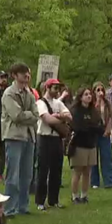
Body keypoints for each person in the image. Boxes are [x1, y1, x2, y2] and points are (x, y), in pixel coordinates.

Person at [1, 63, 38, 217]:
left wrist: (27, 115)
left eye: (27, 73)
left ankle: (23, 206)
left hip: (29, 136)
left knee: (27, 174)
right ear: (14, 75)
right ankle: (9, 208)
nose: (26, 76)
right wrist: (28, 115)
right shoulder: (8, 94)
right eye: (23, 73)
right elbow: (16, 115)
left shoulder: (29, 94)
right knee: (13, 175)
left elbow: (36, 115)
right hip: (14, 136)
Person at [34, 78, 71, 211]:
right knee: (43, 170)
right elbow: (46, 119)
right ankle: (40, 201)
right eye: (55, 88)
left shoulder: (58, 103)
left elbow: (69, 116)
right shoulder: (40, 103)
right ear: (47, 88)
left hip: (56, 139)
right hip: (44, 138)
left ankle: (53, 200)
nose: (57, 91)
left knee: (57, 170)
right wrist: (60, 118)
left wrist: (58, 115)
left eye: (59, 88)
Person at [69, 87, 103, 204]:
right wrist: (91, 127)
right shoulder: (75, 111)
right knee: (78, 171)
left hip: (91, 144)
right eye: (86, 94)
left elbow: (99, 126)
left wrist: (92, 127)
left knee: (87, 172)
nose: (89, 96)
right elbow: (78, 127)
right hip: (79, 145)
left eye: (90, 94)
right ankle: (74, 196)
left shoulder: (94, 111)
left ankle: (84, 195)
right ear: (80, 97)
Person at [90, 81, 112, 190]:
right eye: (98, 90)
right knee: (94, 158)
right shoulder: (91, 104)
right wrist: (96, 103)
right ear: (94, 92)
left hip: (105, 131)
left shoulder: (107, 103)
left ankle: (110, 181)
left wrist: (108, 129)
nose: (100, 92)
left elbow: (111, 117)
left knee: (107, 157)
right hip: (94, 132)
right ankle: (94, 181)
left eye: (102, 90)